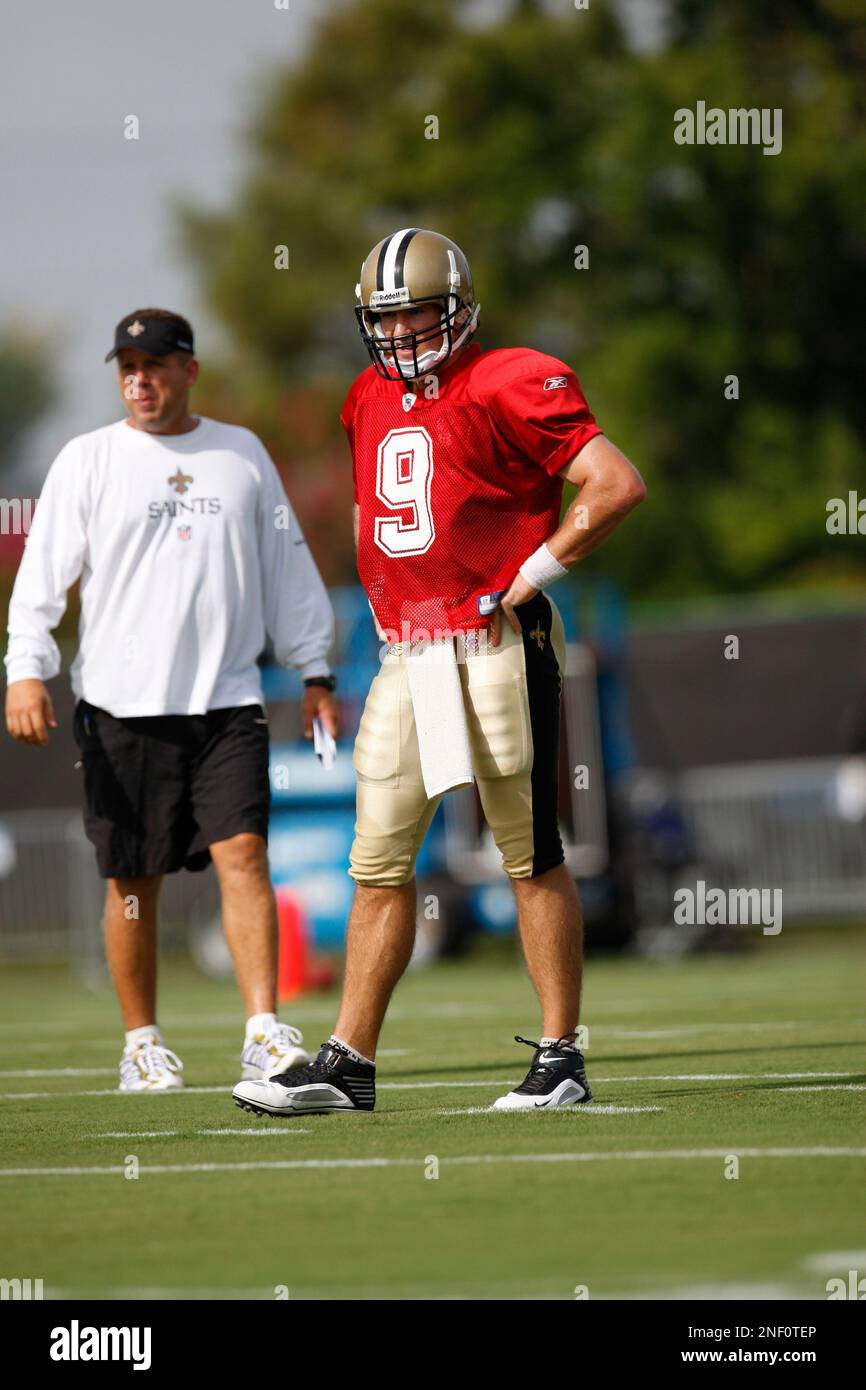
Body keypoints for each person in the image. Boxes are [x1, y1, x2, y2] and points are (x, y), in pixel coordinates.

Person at [233, 229, 645, 1119]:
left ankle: (561, 1054)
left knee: (528, 853)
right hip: (408, 651)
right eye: (387, 316)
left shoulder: (510, 378)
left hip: (499, 642)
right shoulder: (365, 397)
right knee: (377, 859)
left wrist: (531, 575)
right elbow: (372, 517)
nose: (403, 330)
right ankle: (349, 1062)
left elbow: (613, 484)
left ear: (458, 310)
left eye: (418, 311)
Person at [4, 308, 338, 1091]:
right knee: (132, 882)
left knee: (246, 857)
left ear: (189, 370)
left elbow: (288, 566)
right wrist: (25, 668)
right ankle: (142, 1043)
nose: (139, 380)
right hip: (120, 707)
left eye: (154, 365)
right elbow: (41, 577)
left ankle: (263, 1031)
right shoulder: (87, 460)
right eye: (126, 367)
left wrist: (315, 667)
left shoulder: (241, 453)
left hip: (228, 703)